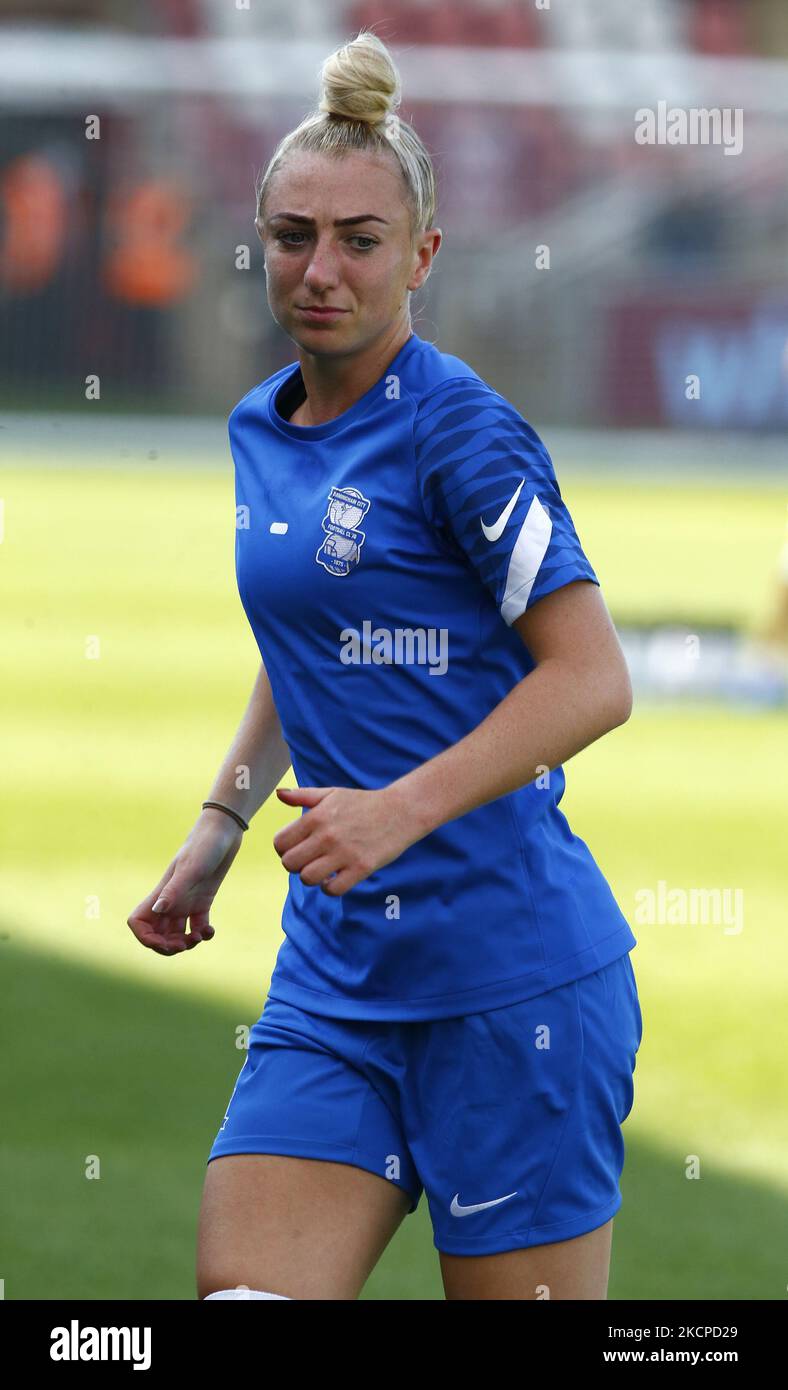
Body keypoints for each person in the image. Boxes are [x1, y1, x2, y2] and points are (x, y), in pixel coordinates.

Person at [127, 28, 643, 1301]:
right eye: (294, 235)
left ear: (419, 255)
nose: (321, 268)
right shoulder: (262, 425)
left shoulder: (464, 431)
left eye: (359, 239)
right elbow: (310, 643)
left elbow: (591, 678)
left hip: (509, 988)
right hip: (336, 980)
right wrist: (219, 820)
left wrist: (396, 812)